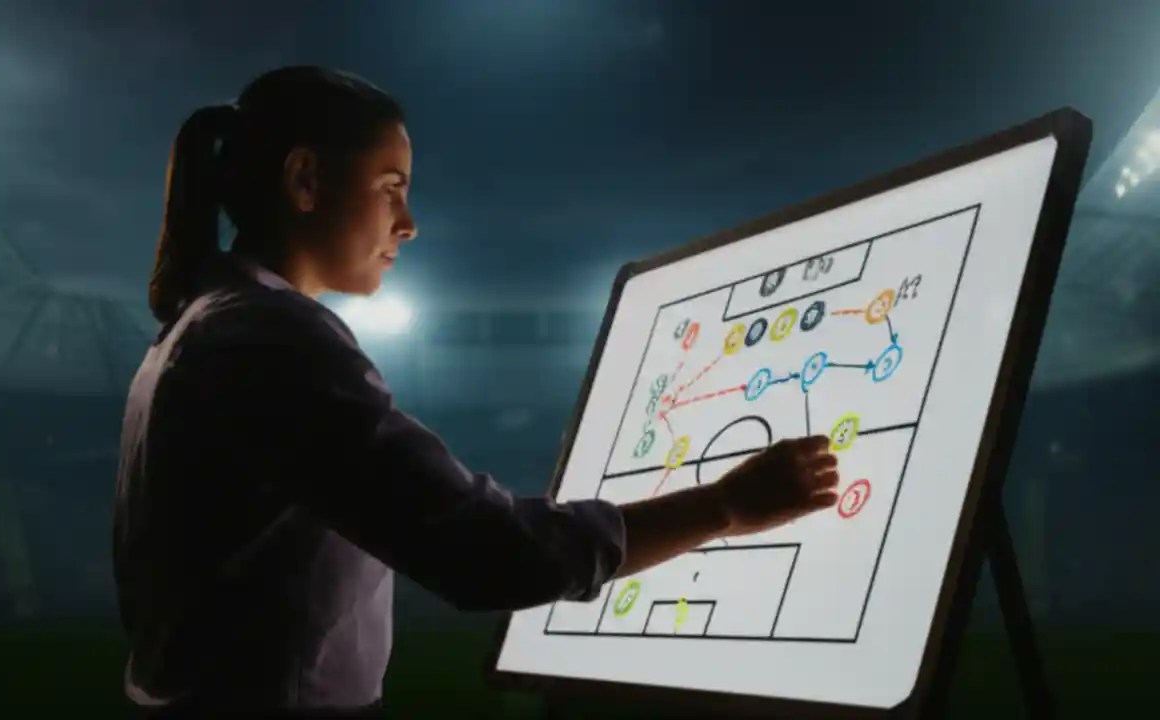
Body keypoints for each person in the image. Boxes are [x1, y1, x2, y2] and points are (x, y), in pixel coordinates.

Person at [112, 66, 840, 719]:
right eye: (390, 189)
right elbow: (481, 550)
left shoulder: (204, 327)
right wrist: (724, 506)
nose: (409, 222)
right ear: (304, 181)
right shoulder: (271, 337)